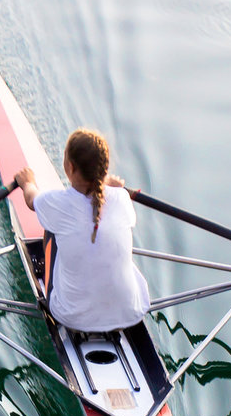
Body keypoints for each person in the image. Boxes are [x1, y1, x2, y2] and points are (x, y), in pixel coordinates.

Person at [11, 128, 150, 332]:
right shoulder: (121, 197)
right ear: (104, 170)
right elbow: (101, 196)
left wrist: (27, 182)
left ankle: (44, 270)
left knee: (52, 226)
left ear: (70, 166)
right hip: (132, 313)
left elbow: (32, 199)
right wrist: (110, 186)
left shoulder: (57, 204)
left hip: (70, 317)